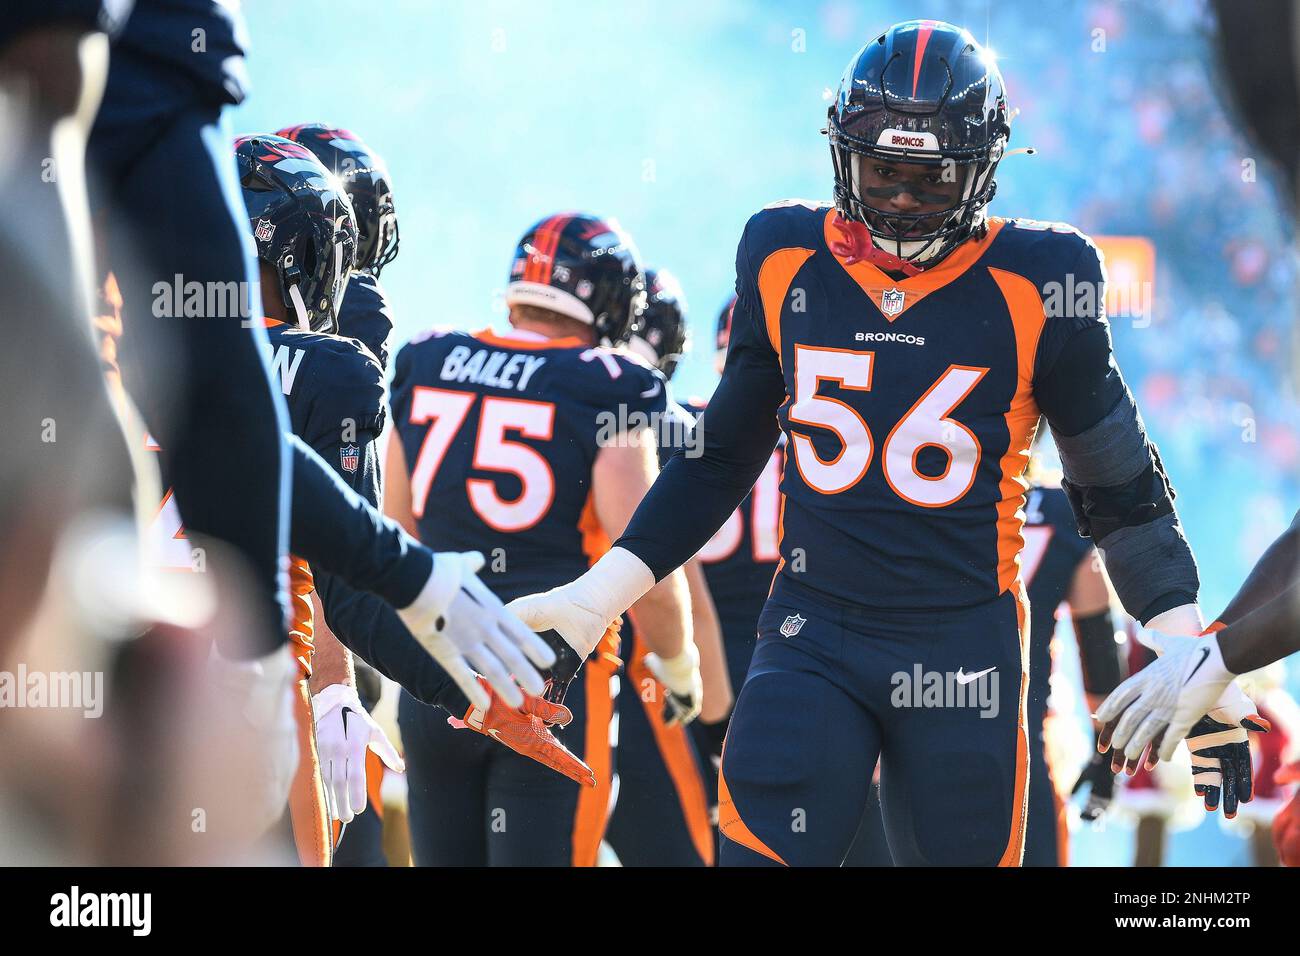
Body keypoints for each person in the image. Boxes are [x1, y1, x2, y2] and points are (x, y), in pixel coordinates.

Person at [507, 20, 1211, 866]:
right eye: (885, 172)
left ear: (982, 171)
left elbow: (1115, 484)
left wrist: (1184, 637)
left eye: (930, 178)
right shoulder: (783, 251)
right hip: (814, 633)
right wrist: (596, 596)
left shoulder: (1039, 276)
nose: (904, 201)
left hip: (963, 648)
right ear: (844, 153)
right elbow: (724, 452)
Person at [384, 214, 700, 866]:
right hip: (552, 689)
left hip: (436, 677)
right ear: (612, 302)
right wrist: (678, 665)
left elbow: (394, 533)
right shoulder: (605, 384)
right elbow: (646, 560)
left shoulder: (429, 358)